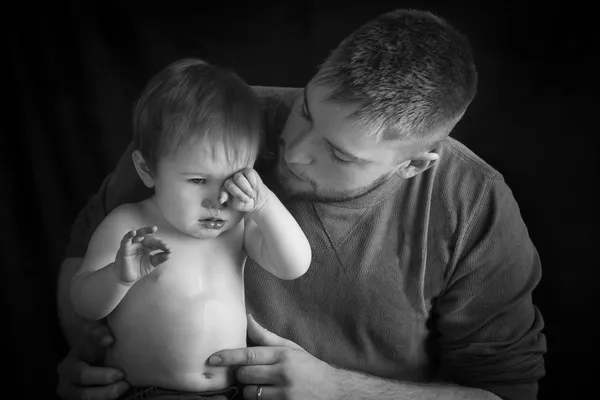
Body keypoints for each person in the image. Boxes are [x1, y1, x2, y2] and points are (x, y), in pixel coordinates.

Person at [56, 9, 546, 400]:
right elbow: (85, 255)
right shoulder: (210, 126)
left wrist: (340, 391)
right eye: (306, 110)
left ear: (413, 165)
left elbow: (505, 390)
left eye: (338, 153)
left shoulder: (473, 203)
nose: (295, 150)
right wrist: (90, 355)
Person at [67, 58, 311, 399]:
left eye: (235, 180)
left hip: (234, 390)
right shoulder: (129, 224)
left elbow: (294, 266)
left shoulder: (238, 227)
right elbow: (84, 304)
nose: (219, 199)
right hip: (153, 391)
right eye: (198, 180)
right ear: (147, 169)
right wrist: (117, 276)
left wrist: (263, 205)